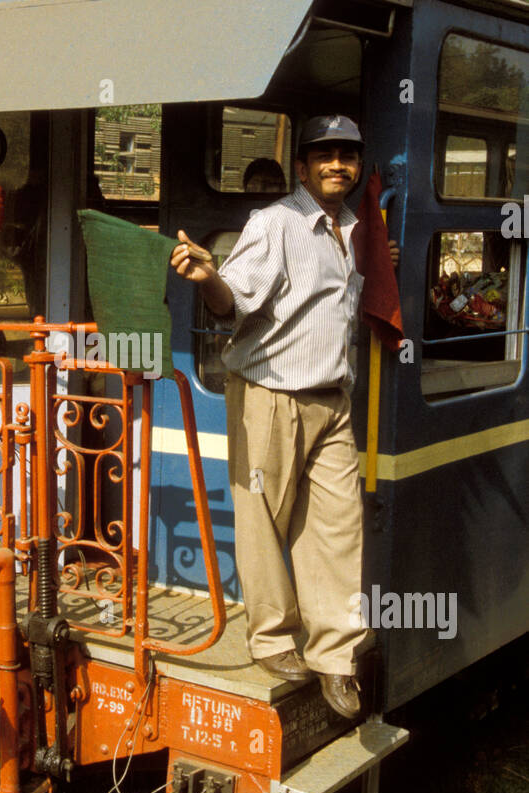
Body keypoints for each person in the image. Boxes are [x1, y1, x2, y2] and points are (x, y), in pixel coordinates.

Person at [170, 115, 398, 720]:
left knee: (338, 528)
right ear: (303, 167)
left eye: (347, 154)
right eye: (324, 154)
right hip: (270, 394)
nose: (336, 164)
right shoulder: (274, 224)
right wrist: (209, 277)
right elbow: (234, 298)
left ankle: (334, 657)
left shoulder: (352, 228)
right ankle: (271, 639)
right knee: (264, 519)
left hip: (331, 401)